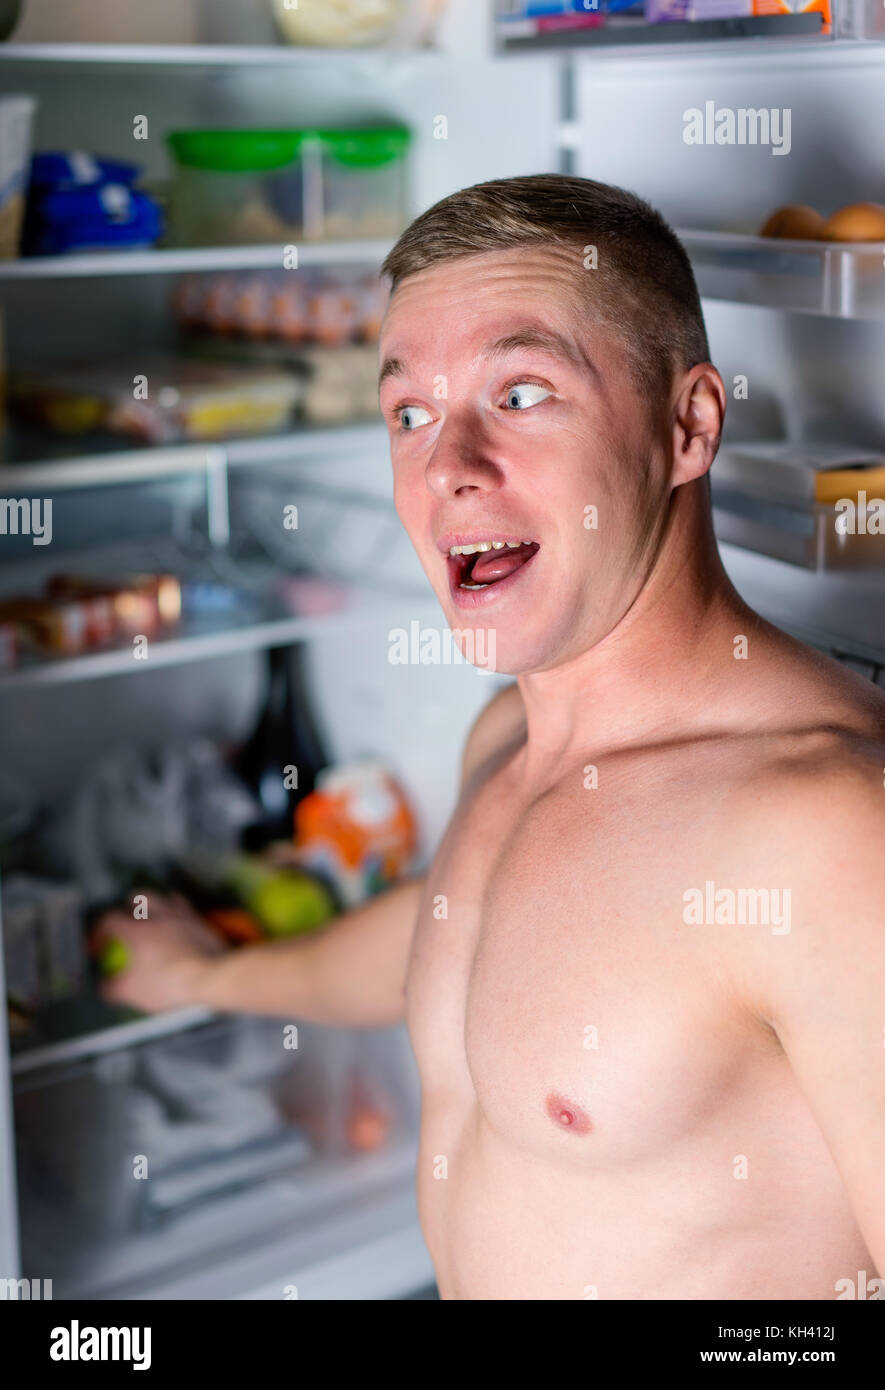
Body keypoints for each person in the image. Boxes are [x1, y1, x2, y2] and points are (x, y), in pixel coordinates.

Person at [95, 175, 885, 1300]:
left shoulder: (827, 834)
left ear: (688, 424)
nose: (448, 464)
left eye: (521, 393)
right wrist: (210, 975)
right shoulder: (509, 738)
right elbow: (450, 945)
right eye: (410, 411)